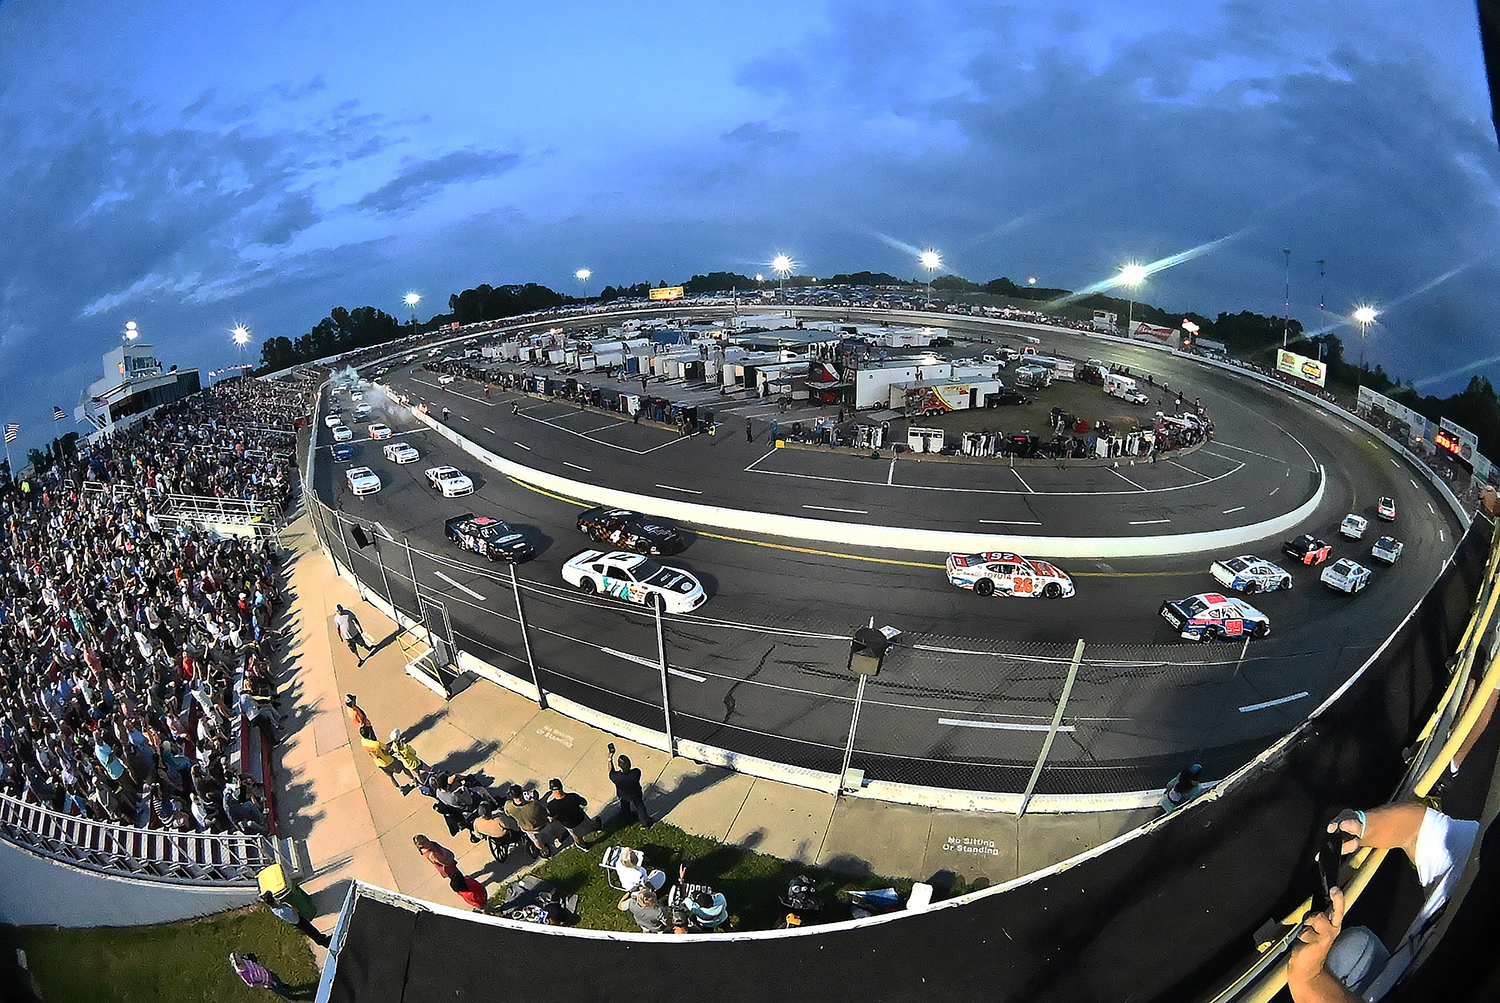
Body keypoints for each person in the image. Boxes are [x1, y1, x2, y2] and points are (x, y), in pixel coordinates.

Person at [1288, 801, 1483, 1002]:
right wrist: (1362, 826)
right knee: (1352, 950)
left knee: (1342, 956)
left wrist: (1308, 977)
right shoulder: (1486, 861)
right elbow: (1419, 829)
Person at [260, 890, 331, 948]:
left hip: (296, 919)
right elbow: (294, 910)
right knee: (311, 931)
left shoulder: (274, 907)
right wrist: (289, 903)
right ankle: (324, 942)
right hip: (298, 921)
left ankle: (322, 939)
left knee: (312, 930)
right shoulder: (282, 911)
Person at [360, 725, 413, 794]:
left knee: (391, 776)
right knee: (403, 767)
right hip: (388, 761)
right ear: (369, 734)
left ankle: (400, 789)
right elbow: (387, 748)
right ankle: (413, 780)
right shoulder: (376, 744)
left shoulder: (363, 741)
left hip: (379, 763)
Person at [503, 785, 554, 857]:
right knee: (552, 826)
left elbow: (507, 814)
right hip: (540, 826)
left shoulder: (508, 806)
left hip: (526, 828)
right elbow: (545, 814)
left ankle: (545, 851)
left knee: (536, 841)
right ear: (521, 793)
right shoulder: (534, 805)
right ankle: (559, 837)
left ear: (511, 795)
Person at [544, 777, 594, 849]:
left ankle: (583, 846)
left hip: (570, 826)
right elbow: (584, 803)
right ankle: (597, 827)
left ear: (551, 790)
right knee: (592, 826)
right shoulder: (572, 796)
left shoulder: (551, 805)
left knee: (577, 838)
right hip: (581, 819)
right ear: (561, 787)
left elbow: (551, 819)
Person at [608, 750, 652, 826]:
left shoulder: (617, 777)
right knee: (640, 807)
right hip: (636, 793)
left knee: (625, 808)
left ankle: (627, 821)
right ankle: (645, 822)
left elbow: (610, 771)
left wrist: (609, 758)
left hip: (623, 795)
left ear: (619, 765)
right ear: (630, 764)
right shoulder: (636, 772)